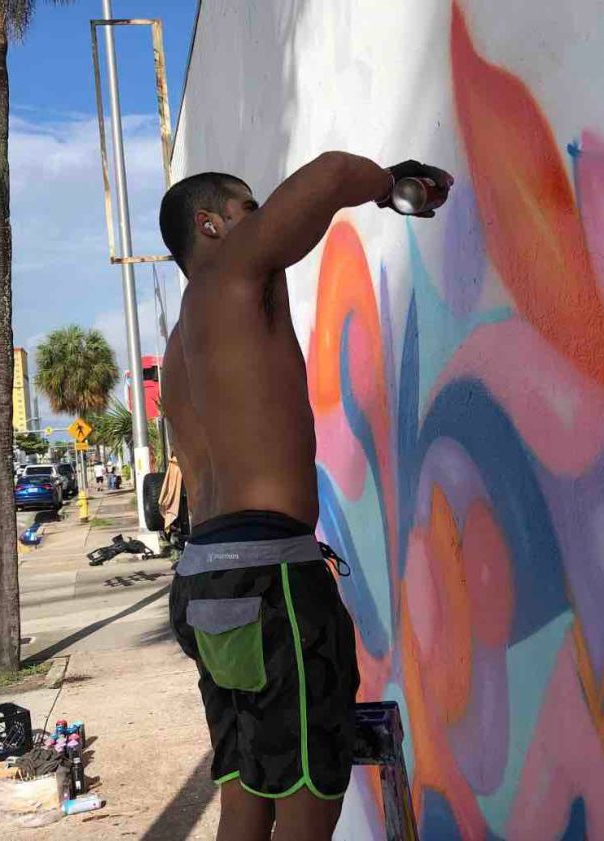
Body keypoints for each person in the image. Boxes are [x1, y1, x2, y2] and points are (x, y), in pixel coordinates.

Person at [160, 154, 452, 840]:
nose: (260, 220)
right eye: (247, 209)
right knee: (306, 794)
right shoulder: (231, 275)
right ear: (211, 225)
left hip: (203, 580)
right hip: (271, 584)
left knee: (246, 787)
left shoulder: (179, 347)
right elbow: (328, 175)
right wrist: (392, 183)